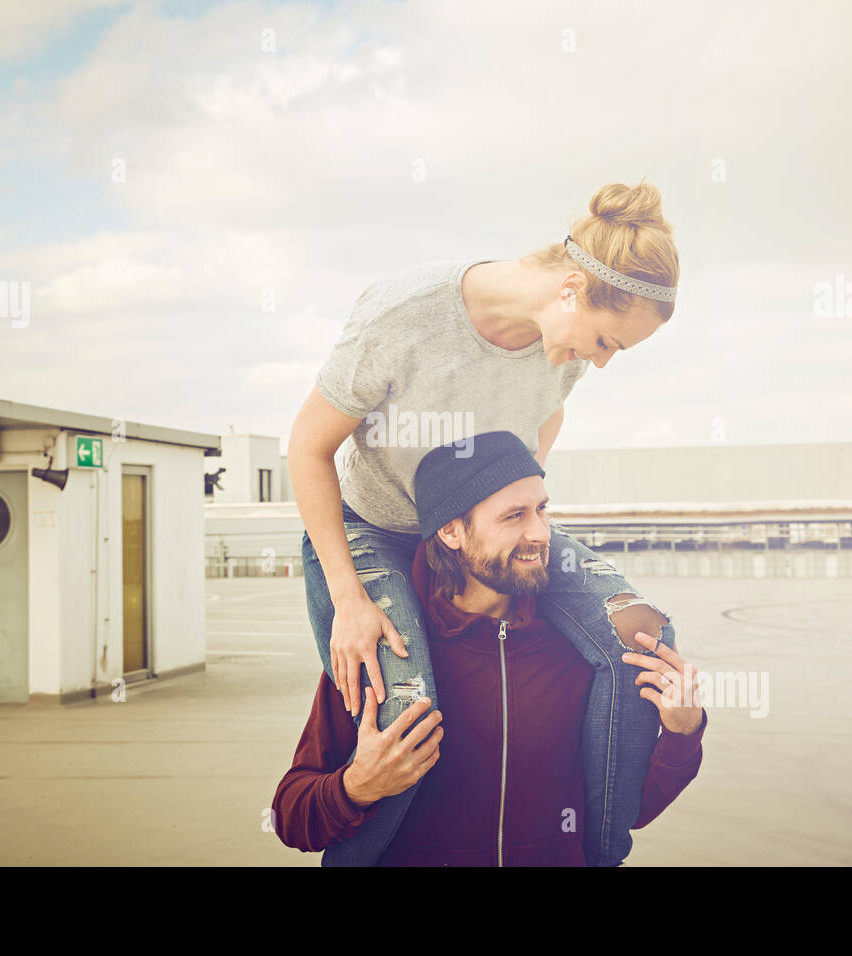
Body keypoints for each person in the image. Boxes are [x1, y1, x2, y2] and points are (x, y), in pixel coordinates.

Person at [287, 180, 682, 866]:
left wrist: (513, 515)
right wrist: (348, 598)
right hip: (374, 526)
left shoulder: (561, 353)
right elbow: (307, 446)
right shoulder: (406, 316)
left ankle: (602, 847)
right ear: (570, 290)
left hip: (479, 530)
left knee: (643, 634)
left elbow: (543, 418)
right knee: (405, 704)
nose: (602, 360)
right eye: (605, 340)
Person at [273, 432, 706, 865]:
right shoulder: (381, 651)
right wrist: (354, 787)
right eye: (514, 516)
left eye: (542, 509)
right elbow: (289, 818)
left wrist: (683, 734)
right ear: (451, 530)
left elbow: (629, 812)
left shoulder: (580, 654)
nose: (540, 533)